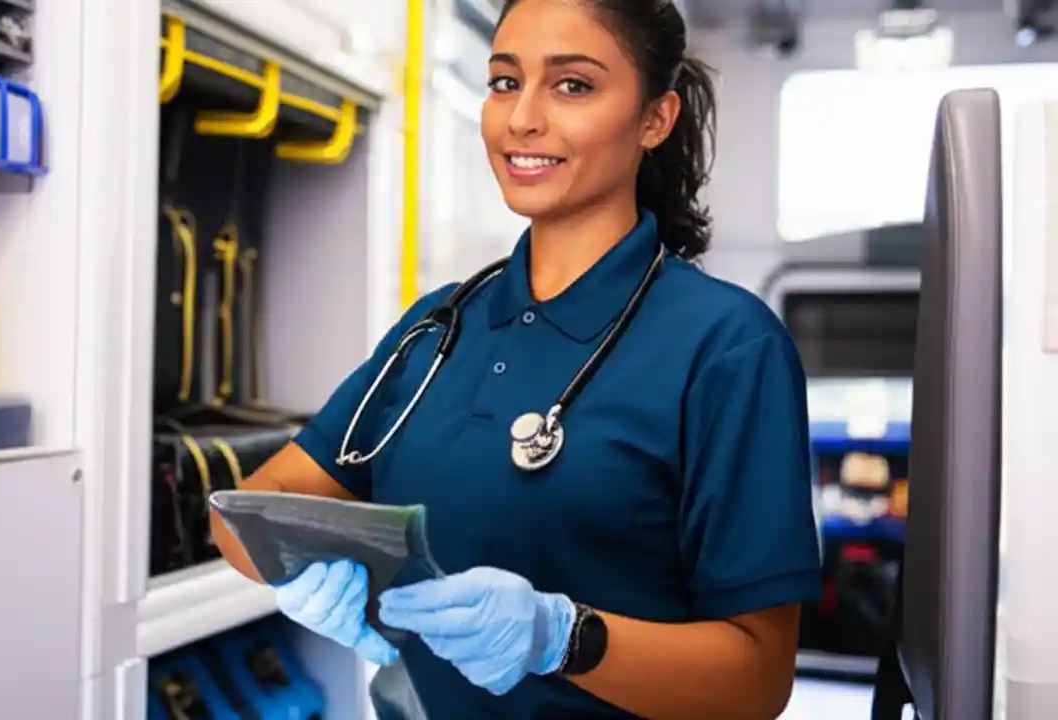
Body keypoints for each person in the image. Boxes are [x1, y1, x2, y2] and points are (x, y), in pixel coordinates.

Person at [209, 0, 821, 717]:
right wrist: (315, 571)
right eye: (504, 82)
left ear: (655, 118)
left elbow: (758, 680)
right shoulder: (439, 327)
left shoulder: (725, 345)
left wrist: (562, 639)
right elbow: (244, 515)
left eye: (572, 86)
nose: (522, 118)